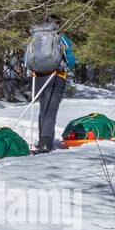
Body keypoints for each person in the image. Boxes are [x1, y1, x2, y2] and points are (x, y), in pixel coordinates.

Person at [22, 14, 75, 153]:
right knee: (50, 110)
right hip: (56, 76)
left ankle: (42, 140)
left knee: (43, 109)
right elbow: (71, 60)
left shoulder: (35, 38)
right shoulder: (60, 37)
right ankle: (46, 143)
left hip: (38, 76)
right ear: (57, 24)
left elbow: (26, 59)